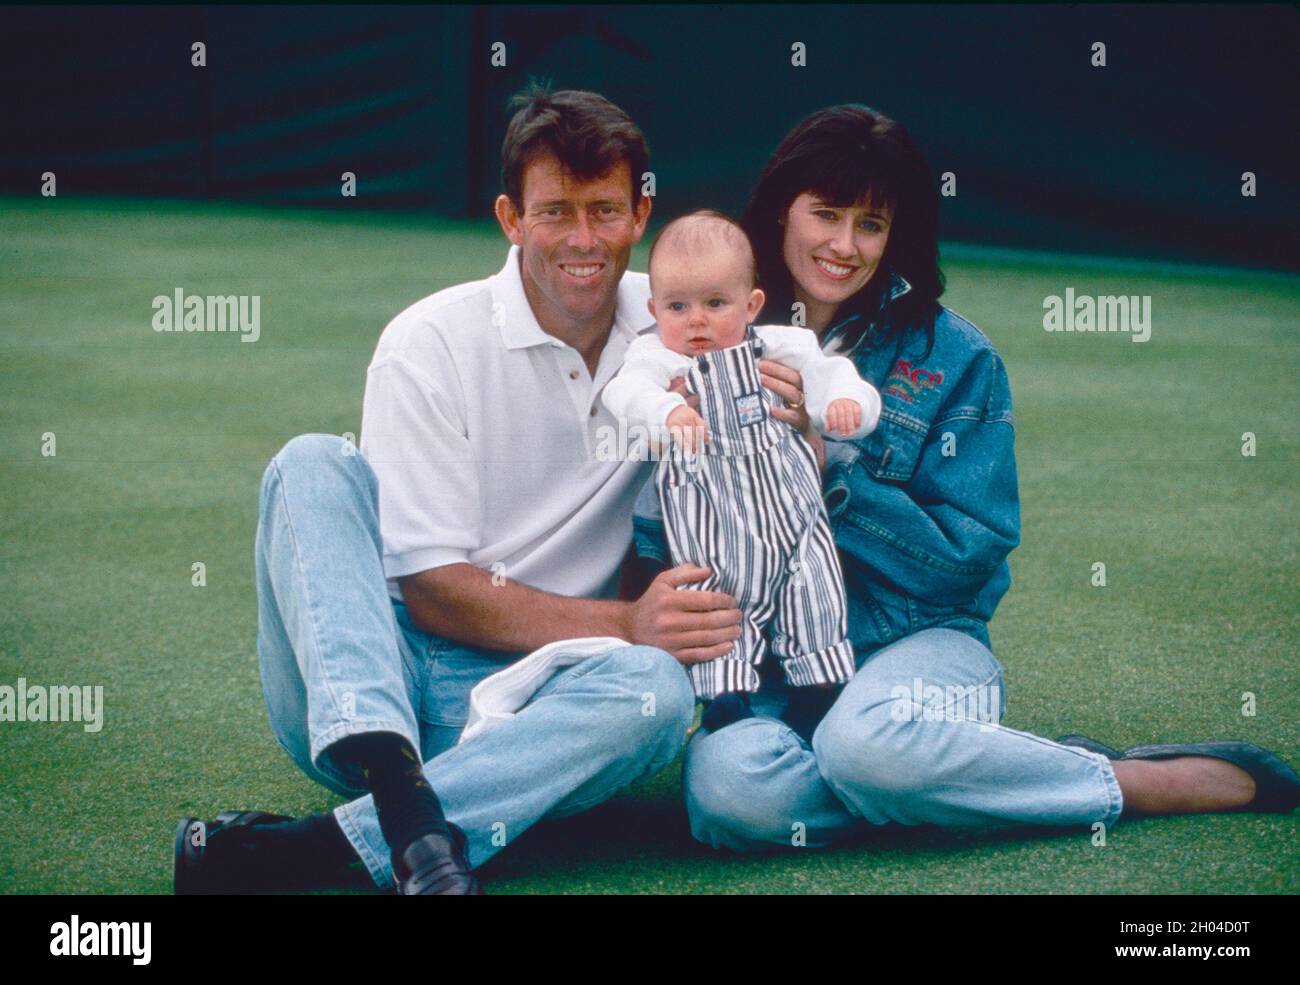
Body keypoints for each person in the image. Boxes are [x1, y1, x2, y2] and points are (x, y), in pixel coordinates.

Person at [629, 104, 1299, 852]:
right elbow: (661, 527)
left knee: (867, 748)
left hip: (923, 642)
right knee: (731, 797)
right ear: (781, 208)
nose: (845, 245)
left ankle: (1120, 781)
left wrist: (831, 473)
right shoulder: (695, 333)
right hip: (772, 667)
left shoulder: (956, 355)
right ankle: (961, 780)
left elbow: (968, 556)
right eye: (825, 213)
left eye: (871, 224)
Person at [172, 85, 745, 895]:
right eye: (556, 212)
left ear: (642, 212)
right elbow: (434, 590)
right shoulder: (427, 339)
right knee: (310, 462)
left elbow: (792, 385)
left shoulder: (682, 324)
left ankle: (322, 852)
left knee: (654, 688)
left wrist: (809, 412)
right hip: (383, 691)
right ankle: (402, 800)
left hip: (543, 698)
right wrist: (625, 620)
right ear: (511, 218)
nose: (583, 240)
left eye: (606, 211)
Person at [602, 210, 879, 725]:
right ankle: (725, 695)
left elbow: (831, 374)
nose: (696, 321)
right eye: (677, 306)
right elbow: (625, 393)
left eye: (715, 303)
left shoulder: (781, 346)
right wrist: (668, 411)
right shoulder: (657, 357)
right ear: (654, 308)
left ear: (751, 305)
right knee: (714, 599)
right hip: (709, 511)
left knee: (813, 582)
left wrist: (846, 403)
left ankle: (818, 684)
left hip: (790, 504)